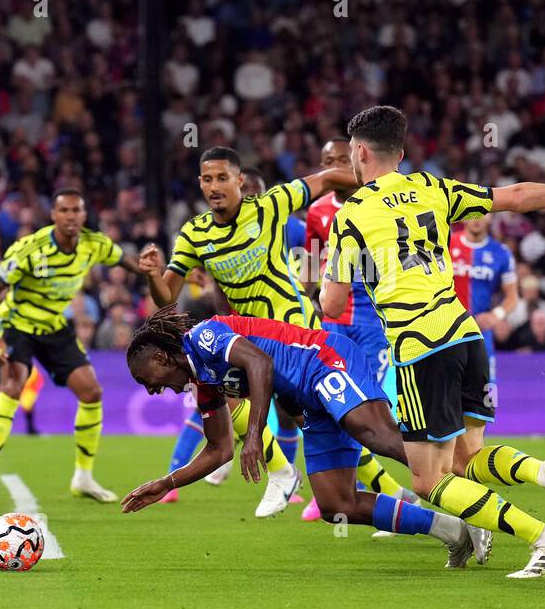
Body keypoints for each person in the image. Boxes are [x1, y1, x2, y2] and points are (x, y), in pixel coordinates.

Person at [322, 105, 545, 578]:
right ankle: (544, 473)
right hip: (467, 336)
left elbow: (331, 304)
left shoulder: (351, 216)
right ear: (402, 152)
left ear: (359, 152)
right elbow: (516, 196)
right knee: (466, 459)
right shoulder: (432, 187)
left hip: (420, 346)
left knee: (429, 481)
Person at [138, 147, 405, 518]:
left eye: (221, 177)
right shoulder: (194, 234)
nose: (214, 186)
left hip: (296, 335)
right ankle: (287, 473)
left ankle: (312, 477)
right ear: (200, 183)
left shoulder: (270, 206)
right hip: (250, 343)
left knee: (323, 420)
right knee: (238, 401)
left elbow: (326, 179)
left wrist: (382, 188)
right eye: (207, 179)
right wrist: (153, 275)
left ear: (239, 181)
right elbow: (166, 296)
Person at [120, 308, 490, 568]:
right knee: (336, 504)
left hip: (324, 360)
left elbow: (260, 363)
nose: (151, 391)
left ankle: (475, 508)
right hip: (306, 399)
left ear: (160, 357)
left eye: (144, 379)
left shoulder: (204, 336)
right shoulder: (203, 383)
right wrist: (165, 483)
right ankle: (453, 531)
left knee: (376, 435)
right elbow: (218, 451)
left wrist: (253, 436)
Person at [0, 188, 143, 506]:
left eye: (76, 210)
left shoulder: (94, 243)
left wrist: (144, 265)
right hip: (17, 324)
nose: (71, 217)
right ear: (53, 215)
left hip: (54, 326)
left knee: (92, 392)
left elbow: (125, 261)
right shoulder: (30, 248)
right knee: (12, 387)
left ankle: (84, 477)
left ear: (83, 214)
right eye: (64, 211)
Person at [301, 137, 418, 525]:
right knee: (334, 407)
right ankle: (345, 491)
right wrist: (309, 306)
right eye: (326, 161)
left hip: (373, 318)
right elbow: (311, 267)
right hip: (331, 321)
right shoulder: (318, 212)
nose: (334, 167)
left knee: (368, 408)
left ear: (356, 158)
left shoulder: (380, 201)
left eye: (340, 158)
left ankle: (418, 482)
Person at [449, 212, 519, 410]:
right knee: (447, 389)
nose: (476, 218)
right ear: (462, 217)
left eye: (482, 213)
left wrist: (495, 315)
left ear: (490, 218)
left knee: (486, 392)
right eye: (471, 213)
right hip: (447, 330)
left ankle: (479, 440)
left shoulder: (501, 253)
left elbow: (512, 297)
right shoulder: (446, 244)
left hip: (480, 333)